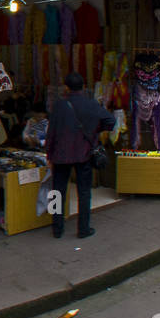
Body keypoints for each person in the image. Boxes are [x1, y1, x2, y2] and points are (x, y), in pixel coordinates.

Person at [45, 71, 107, 241]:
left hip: (61, 154)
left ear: (66, 87)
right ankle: (84, 228)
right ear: (83, 86)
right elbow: (110, 121)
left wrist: (48, 153)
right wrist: (93, 131)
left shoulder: (59, 105)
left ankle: (57, 229)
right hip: (84, 154)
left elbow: (51, 132)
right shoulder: (91, 104)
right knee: (84, 192)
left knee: (57, 192)